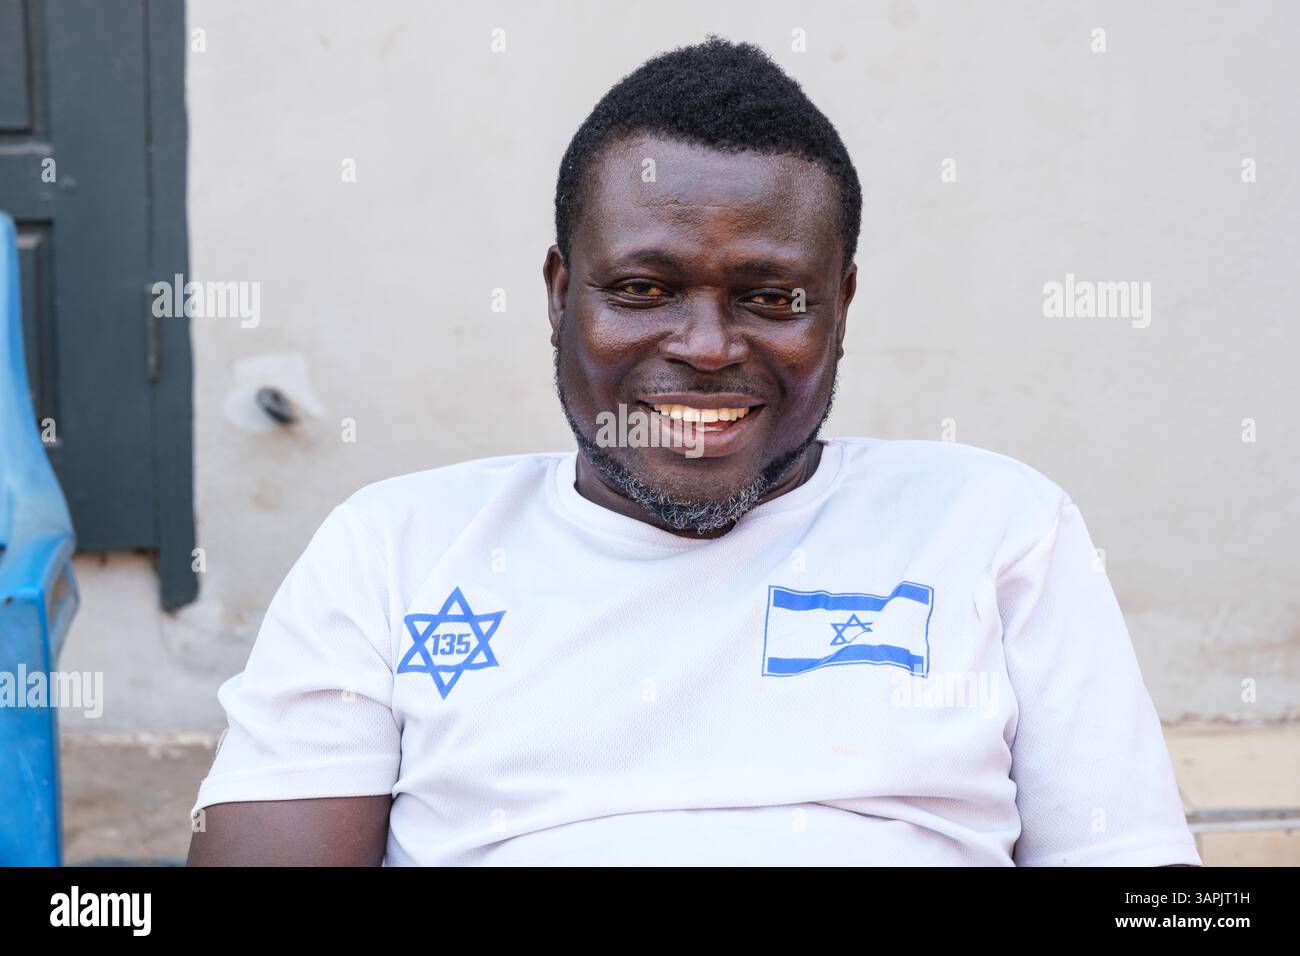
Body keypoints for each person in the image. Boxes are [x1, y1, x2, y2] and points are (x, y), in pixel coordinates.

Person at [188, 36, 1199, 866]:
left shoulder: (993, 525)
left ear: (838, 307)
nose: (707, 349)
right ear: (558, 295)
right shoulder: (394, 549)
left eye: (770, 297)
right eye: (642, 288)